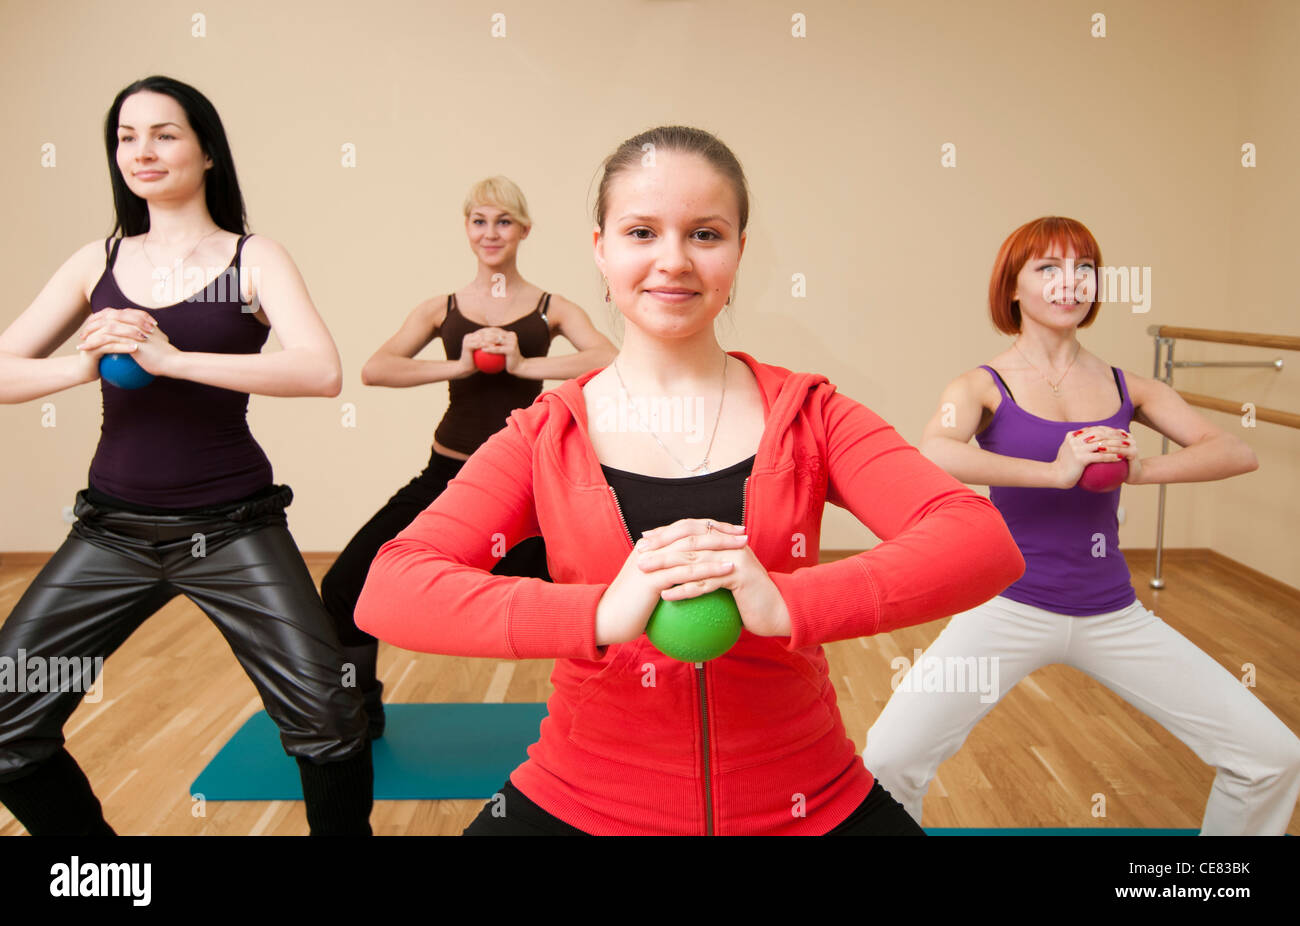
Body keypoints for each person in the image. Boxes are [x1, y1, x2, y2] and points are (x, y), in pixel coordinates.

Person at [354, 125, 1026, 835]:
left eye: (705, 234)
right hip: (581, 799)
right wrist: (599, 615)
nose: (672, 261)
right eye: (642, 232)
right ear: (601, 250)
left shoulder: (811, 414)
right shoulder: (543, 434)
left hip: (808, 797)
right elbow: (391, 587)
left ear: (739, 251)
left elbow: (980, 542)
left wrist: (785, 603)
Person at [0, 75, 372, 835]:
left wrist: (172, 359)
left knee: (328, 721)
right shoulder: (95, 260)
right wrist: (82, 363)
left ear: (206, 151)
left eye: (164, 134)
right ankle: (104, 876)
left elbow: (320, 371)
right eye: (126, 136)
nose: (143, 150)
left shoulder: (253, 257)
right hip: (112, 532)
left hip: (234, 526)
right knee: (7, 720)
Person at [863, 215, 1300, 835]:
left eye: (1083, 269)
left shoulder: (1130, 386)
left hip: (1112, 614)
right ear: (1013, 288)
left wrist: (1139, 467)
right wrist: (1055, 471)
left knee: (1272, 758)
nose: (1069, 282)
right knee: (887, 759)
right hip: (1009, 605)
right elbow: (935, 449)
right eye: (1048, 268)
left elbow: (1234, 451)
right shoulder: (980, 385)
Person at [321, 178, 615, 737]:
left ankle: (611, 714)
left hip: (527, 486)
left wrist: (523, 365)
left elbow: (608, 356)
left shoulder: (552, 308)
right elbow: (375, 368)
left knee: (594, 593)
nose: (490, 232)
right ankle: (359, 716)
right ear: (466, 229)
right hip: (447, 475)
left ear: (524, 230)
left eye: (503, 221)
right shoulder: (441, 309)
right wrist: (457, 365)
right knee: (342, 587)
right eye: (479, 221)